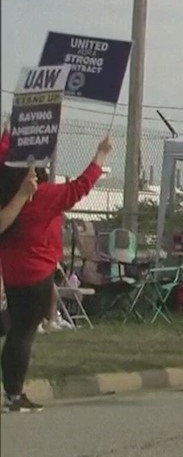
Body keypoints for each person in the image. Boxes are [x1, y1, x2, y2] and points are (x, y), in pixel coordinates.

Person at [0, 136, 111, 412]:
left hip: (12, 270)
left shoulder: (7, 197)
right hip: (37, 271)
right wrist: (100, 154)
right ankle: (14, 393)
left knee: (16, 331)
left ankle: (12, 391)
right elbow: (80, 187)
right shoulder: (44, 196)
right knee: (24, 334)